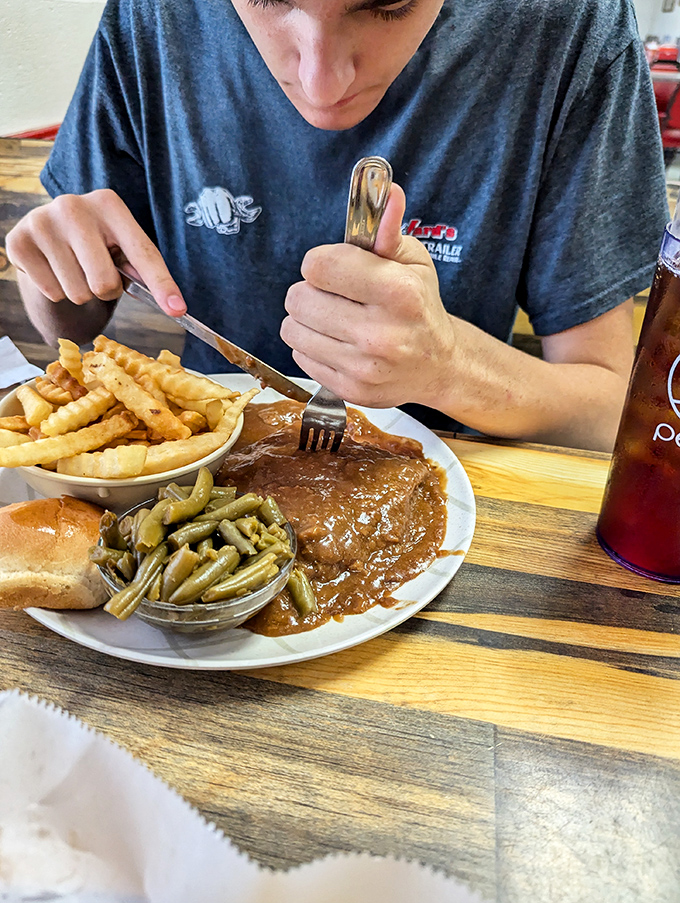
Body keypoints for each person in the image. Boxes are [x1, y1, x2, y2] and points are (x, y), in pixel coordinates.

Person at [5, 0, 669, 451]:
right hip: (203, 453)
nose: (322, 86)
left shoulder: (565, 25)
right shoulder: (153, 16)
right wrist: (56, 267)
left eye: (387, 2)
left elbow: (610, 411)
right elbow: (69, 328)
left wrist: (447, 367)